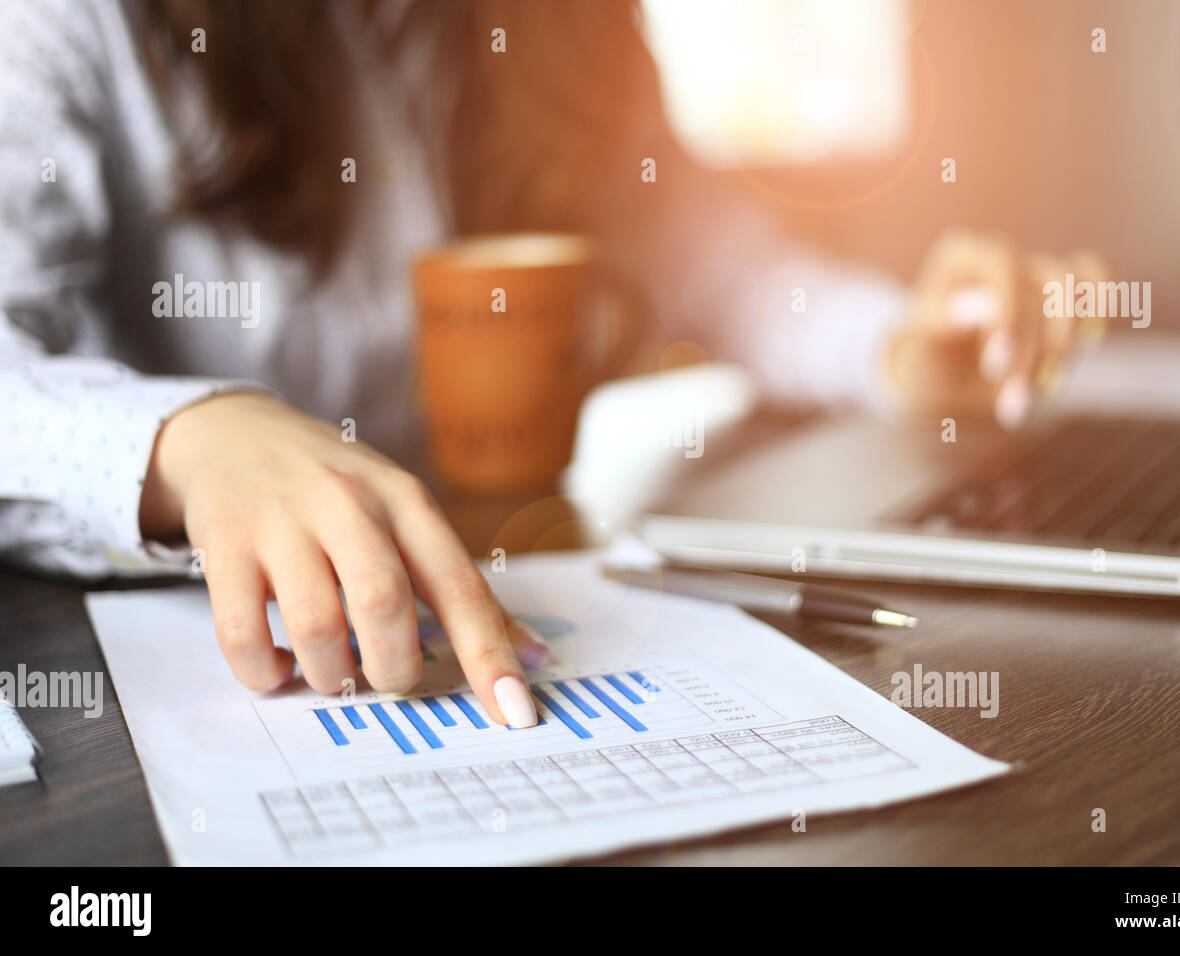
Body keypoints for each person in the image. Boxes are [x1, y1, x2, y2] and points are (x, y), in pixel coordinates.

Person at [0, 0, 1104, 728]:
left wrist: (893, 341)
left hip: (515, 561)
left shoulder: (555, 25)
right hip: (154, 663)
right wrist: (187, 443)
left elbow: (693, 242)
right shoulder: (66, 26)